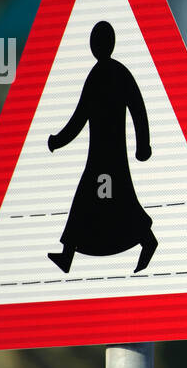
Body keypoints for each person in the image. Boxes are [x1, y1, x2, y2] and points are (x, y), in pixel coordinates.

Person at [46, 21, 158, 273]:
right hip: (104, 154)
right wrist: (58, 140)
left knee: (105, 199)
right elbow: (81, 117)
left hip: (108, 154)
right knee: (105, 200)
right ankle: (67, 256)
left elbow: (135, 109)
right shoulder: (107, 75)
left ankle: (147, 242)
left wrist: (144, 145)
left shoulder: (103, 76)